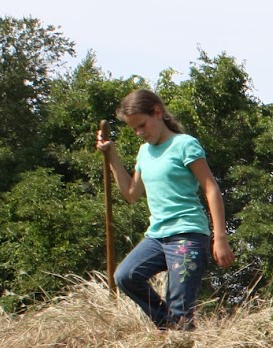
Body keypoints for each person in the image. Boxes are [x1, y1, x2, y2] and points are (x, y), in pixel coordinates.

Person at [95, 89, 233, 329]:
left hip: (187, 235)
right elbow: (130, 193)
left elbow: (211, 189)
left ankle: (179, 335)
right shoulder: (144, 153)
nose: (139, 133)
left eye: (142, 125)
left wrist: (219, 238)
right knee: (125, 276)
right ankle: (169, 326)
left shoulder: (184, 145)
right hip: (157, 236)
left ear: (157, 112)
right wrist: (112, 157)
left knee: (180, 308)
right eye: (134, 129)